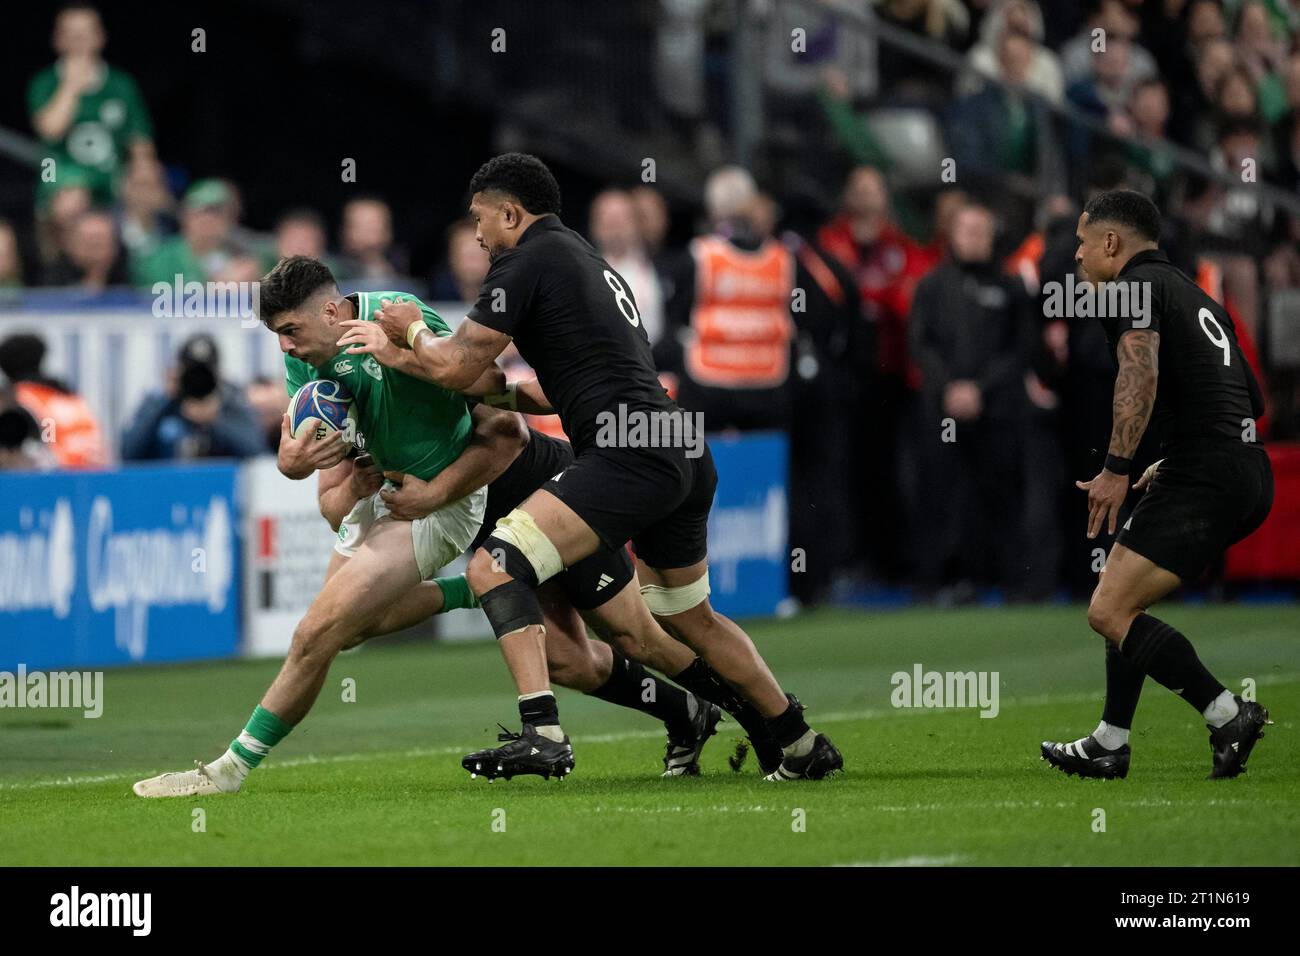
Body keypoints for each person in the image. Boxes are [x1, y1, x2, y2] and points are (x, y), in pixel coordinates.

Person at [131, 258, 720, 797]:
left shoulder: (410, 326)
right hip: (461, 512)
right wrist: (301, 466)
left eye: (291, 331)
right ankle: (682, 713)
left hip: (531, 487)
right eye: (277, 336)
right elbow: (333, 502)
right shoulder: (304, 361)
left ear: (333, 312)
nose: (284, 348)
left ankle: (756, 711)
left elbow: (506, 434)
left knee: (635, 638)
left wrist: (433, 492)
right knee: (554, 659)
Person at [358, 153, 841, 782]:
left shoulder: (523, 262)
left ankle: (543, 733)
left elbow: (452, 364)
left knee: (494, 563)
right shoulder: (586, 260)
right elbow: (565, 388)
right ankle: (797, 740)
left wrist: (409, 335)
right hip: (679, 442)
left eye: (481, 220)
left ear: (511, 213)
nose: (477, 236)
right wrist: (492, 391)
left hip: (628, 452)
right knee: (686, 618)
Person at [1042, 190, 1274, 780]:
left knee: (1107, 609)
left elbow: (1138, 371)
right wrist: (1174, 455)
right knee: (1123, 595)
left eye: (1082, 241)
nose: (1077, 253)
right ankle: (1111, 740)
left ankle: (1226, 713)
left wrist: (1116, 468)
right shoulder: (1197, 295)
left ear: (1112, 243)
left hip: (1208, 473)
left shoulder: (1130, 289)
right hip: (1245, 469)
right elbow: (1254, 399)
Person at [27, 2, 154, 210]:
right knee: (71, 200)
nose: (79, 41)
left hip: (111, 183)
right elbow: (50, 130)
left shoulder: (121, 84)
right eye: (72, 35)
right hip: (57, 181)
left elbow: (141, 143)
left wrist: (142, 177)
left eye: (85, 33)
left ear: (101, 37)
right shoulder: (44, 82)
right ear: (57, 40)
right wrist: (71, 85)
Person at [120, 333, 265, 461]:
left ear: (217, 372)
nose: (198, 379)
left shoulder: (231, 398)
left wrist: (215, 422)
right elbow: (128, 453)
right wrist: (165, 400)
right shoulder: (161, 401)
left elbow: (256, 451)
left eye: (205, 372)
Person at [0, 332, 108, 469]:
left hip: (58, 477)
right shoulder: (71, 397)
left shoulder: (17, 398)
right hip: (100, 474)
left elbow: (46, 446)